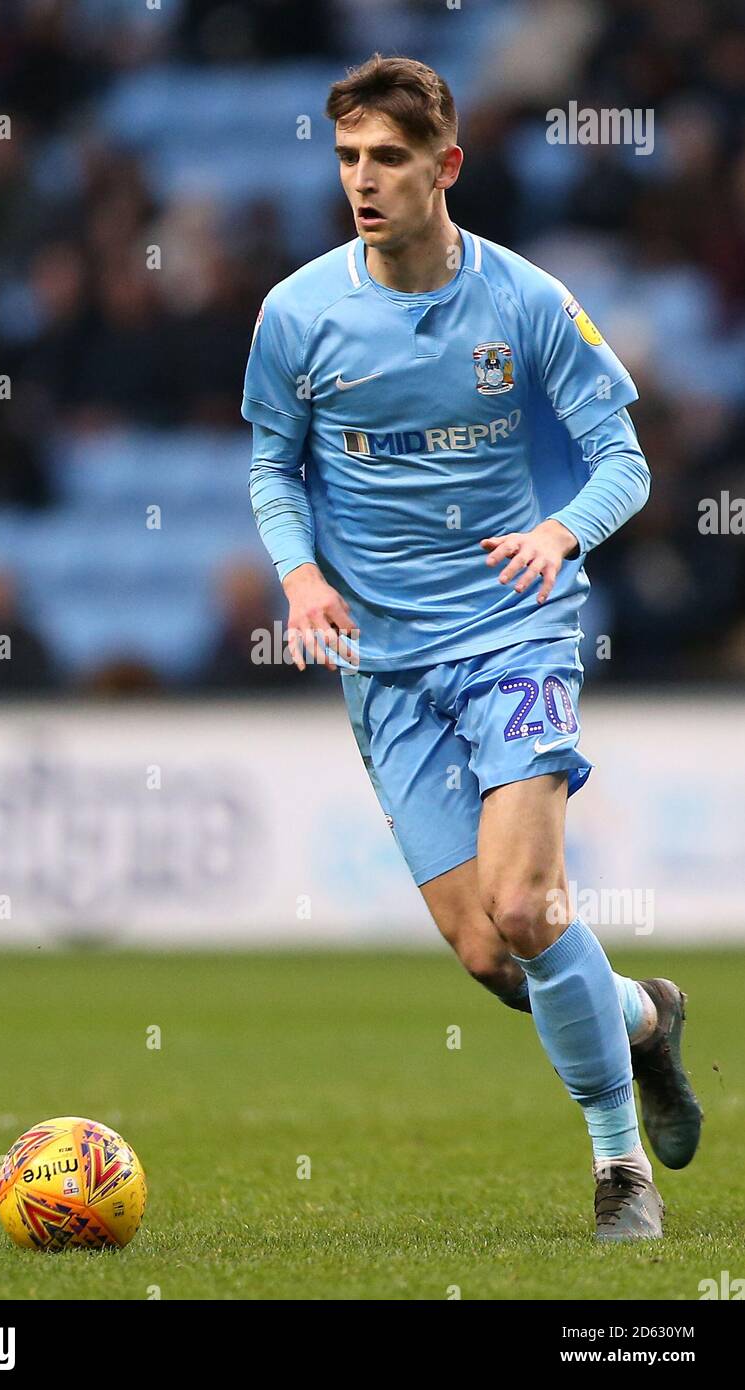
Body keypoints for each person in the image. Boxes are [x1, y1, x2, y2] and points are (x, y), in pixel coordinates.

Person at [241, 54, 702, 1241]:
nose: (361, 179)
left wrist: (559, 530)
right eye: (346, 158)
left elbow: (623, 462)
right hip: (383, 663)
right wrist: (297, 578)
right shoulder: (296, 314)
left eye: (386, 157)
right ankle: (642, 1018)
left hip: (512, 631)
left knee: (526, 903)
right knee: (484, 951)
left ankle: (618, 1174)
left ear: (443, 165)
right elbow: (271, 468)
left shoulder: (528, 304)